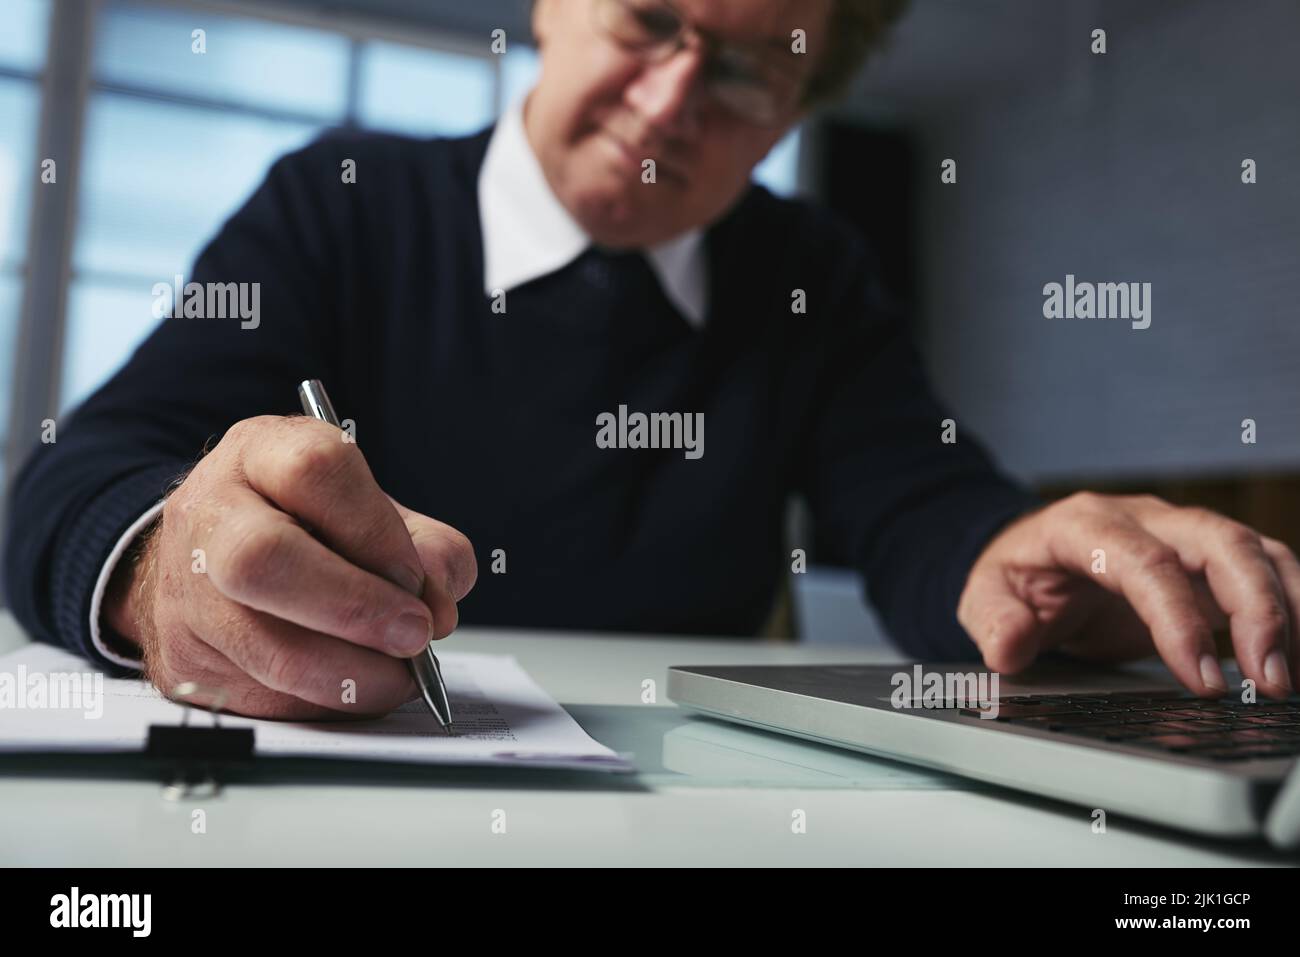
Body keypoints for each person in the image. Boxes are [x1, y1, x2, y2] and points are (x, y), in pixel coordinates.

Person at [5, 0, 1296, 720]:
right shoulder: (341, 199)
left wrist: (1025, 571)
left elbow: (920, 506)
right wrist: (157, 562)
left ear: (797, 114)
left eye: (741, 74)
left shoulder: (814, 271)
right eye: (648, 23)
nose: (668, 105)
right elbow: (84, 475)